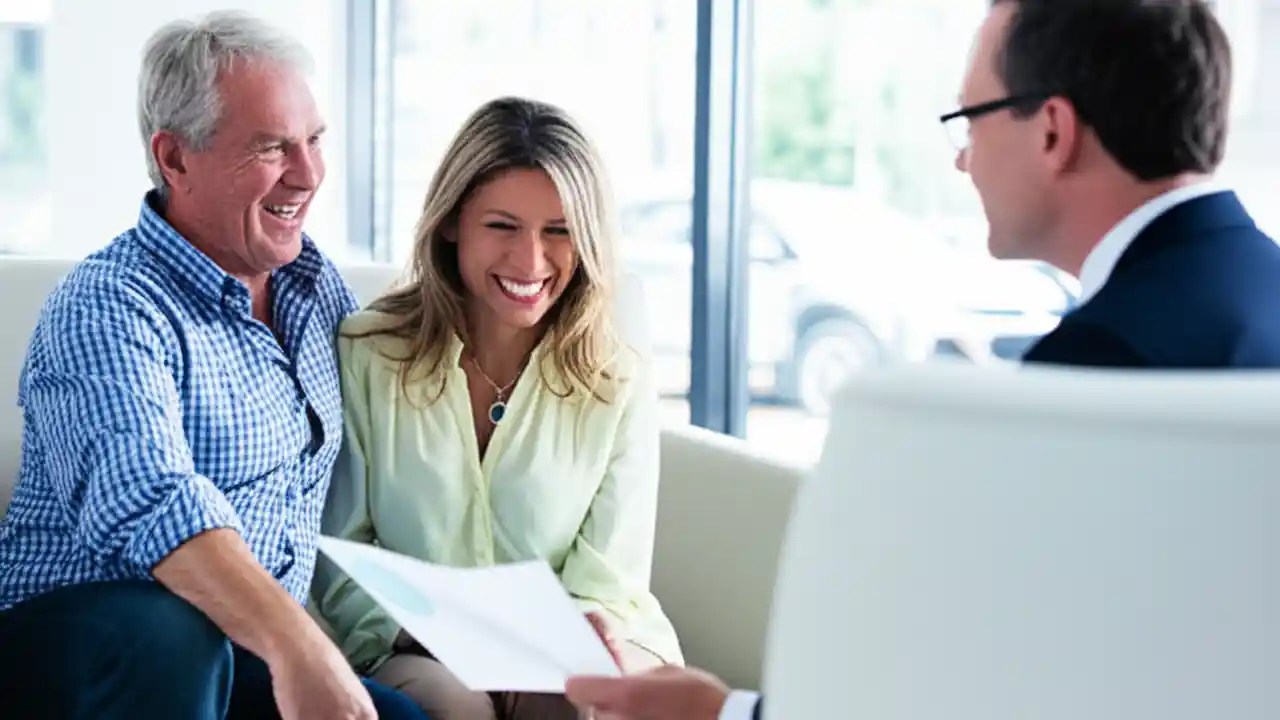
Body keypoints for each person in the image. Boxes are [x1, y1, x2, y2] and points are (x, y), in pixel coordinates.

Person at [564, 0, 1269, 717]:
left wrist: (723, 714)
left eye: (971, 118)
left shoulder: (1098, 373)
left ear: (1053, 130)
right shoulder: (1260, 291)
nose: (962, 159)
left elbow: (989, 686)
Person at [0, 12, 427, 720]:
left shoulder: (316, 293)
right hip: (73, 652)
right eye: (271, 148)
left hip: (231, 655)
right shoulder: (109, 306)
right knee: (168, 633)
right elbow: (152, 500)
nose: (309, 173)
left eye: (314, 139)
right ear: (174, 159)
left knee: (399, 717)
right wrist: (302, 649)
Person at [312, 96, 683, 719]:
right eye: (502, 227)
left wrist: (561, 649)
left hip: (578, 642)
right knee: (456, 707)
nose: (530, 262)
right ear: (453, 222)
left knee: (570, 706)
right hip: (414, 646)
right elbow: (341, 551)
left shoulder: (616, 376)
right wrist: (428, 637)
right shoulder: (367, 352)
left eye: (558, 231)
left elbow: (611, 578)